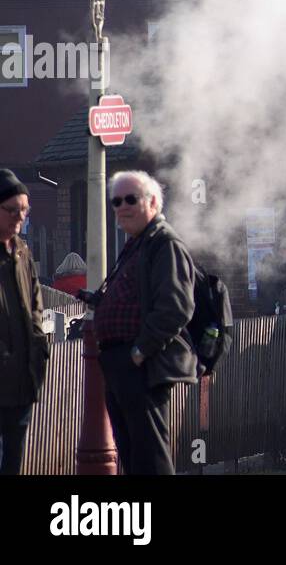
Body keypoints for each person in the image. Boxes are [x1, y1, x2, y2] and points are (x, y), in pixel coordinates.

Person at [92, 171, 198, 475]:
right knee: (133, 451)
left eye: (130, 199)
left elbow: (176, 307)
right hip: (122, 363)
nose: (122, 206)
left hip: (141, 364)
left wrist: (139, 351)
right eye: (116, 201)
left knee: (150, 454)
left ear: (152, 201)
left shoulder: (164, 243)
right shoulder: (138, 243)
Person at [0, 169, 48, 475]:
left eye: (25, 210)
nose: (20, 217)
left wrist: (38, 344)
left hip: (21, 379)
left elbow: (35, 304)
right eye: (13, 210)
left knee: (14, 461)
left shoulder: (21, 251)